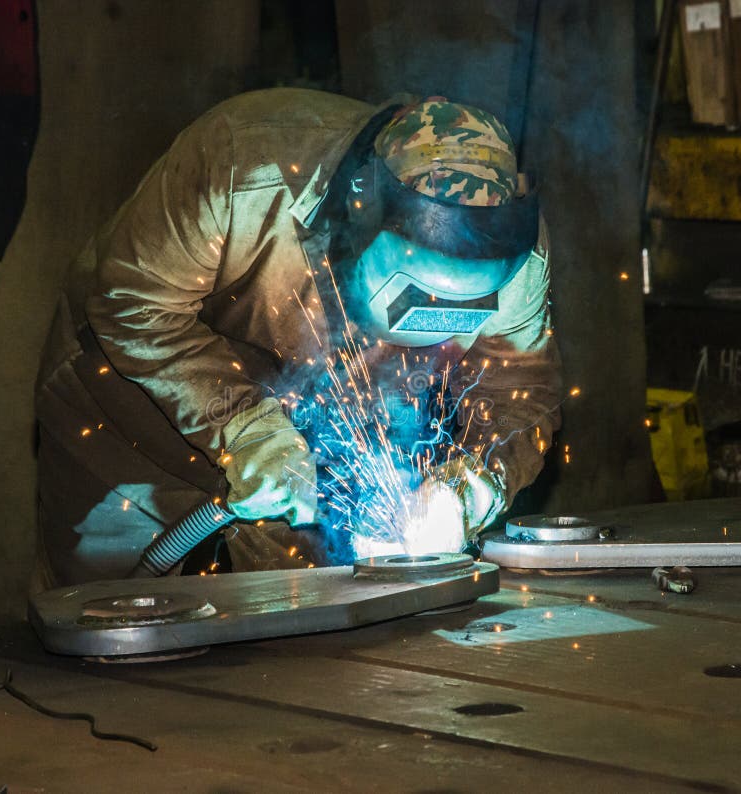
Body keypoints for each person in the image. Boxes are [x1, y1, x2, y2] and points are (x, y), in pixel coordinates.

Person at [34, 88, 561, 588]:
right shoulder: (245, 165)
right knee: (108, 624)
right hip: (127, 414)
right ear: (361, 214)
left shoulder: (512, 253)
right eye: (421, 296)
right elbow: (134, 302)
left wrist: (469, 490)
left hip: (318, 461)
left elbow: (523, 393)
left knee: (298, 637)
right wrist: (244, 429)